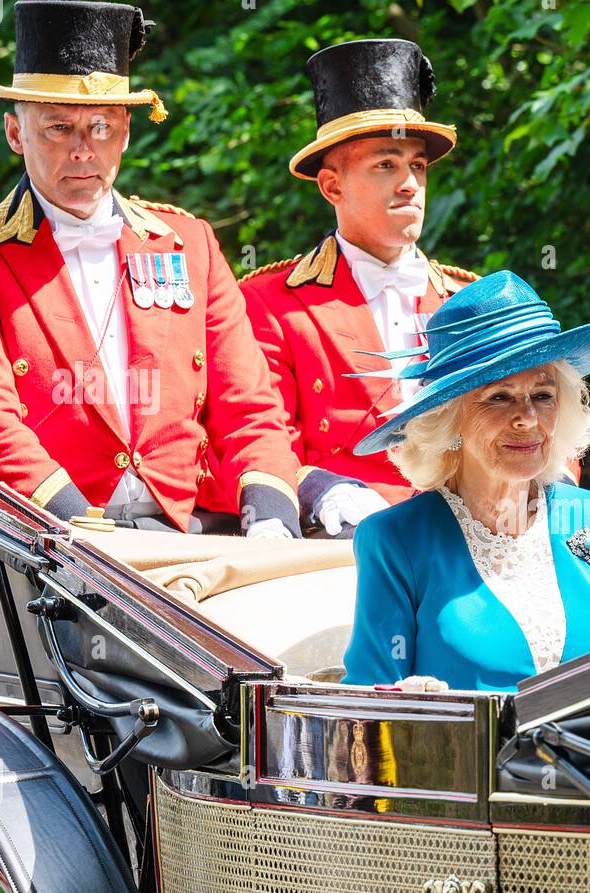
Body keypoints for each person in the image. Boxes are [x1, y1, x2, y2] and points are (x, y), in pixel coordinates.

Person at [0, 0, 352, 537]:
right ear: (14, 133)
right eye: (57, 127)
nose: (82, 150)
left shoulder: (188, 243)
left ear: (125, 132)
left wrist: (271, 519)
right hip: (54, 538)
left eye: (101, 127)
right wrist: (85, 538)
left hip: (191, 528)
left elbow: (248, 406)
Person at [201, 38, 479, 537]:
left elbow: (538, 412)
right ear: (332, 186)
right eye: (385, 165)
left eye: (416, 165)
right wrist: (317, 490)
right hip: (343, 542)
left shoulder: (469, 300)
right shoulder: (270, 305)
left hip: (472, 533)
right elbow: (250, 438)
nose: (410, 183)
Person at [342, 271, 590, 692]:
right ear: (449, 419)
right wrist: (413, 708)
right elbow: (364, 707)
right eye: (499, 398)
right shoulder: (396, 540)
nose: (527, 418)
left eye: (543, 395)